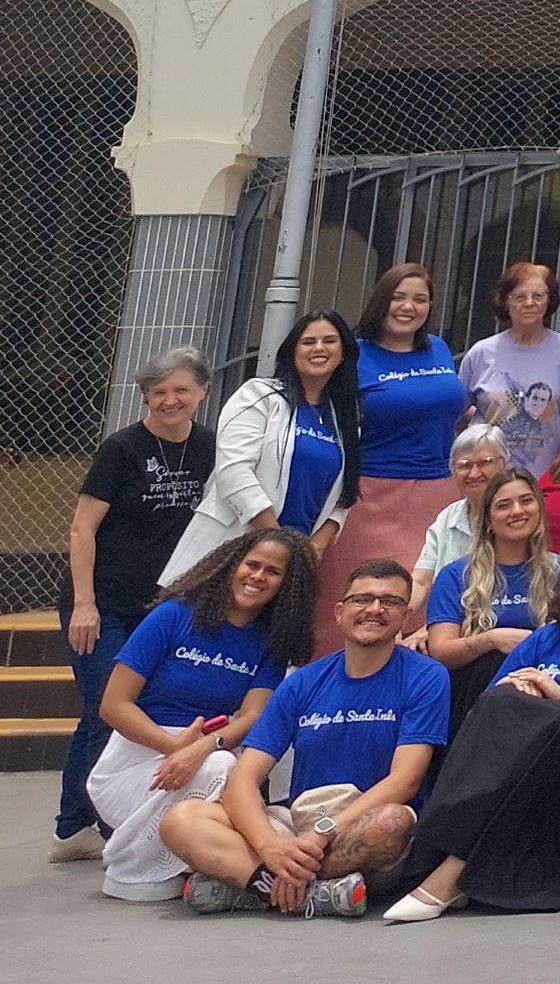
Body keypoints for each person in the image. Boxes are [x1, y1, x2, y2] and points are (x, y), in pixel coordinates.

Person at [384, 523, 560, 919]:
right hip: (538, 770)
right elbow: (494, 707)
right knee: (502, 707)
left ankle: (451, 870)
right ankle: (453, 855)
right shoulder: (549, 637)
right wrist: (523, 689)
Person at [158, 555, 445, 918]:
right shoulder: (301, 683)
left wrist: (322, 834)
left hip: (360, 825)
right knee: (179, 820)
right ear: (340, 611)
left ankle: (256, 886)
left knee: (392, 822)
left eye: (390, 602)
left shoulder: (427, 678)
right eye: (362, 599)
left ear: (405, 617)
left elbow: (405, 781)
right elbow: (242, 781)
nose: (374, 609)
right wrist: (270, 846)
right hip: (298, 823)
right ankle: (307, 893)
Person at [84, 530, 311, 903]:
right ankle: (131, 864)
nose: (257, 576)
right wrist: (174, 746)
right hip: (134, 762)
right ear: (231, 565)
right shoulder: (173, 616)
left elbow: (254, 715)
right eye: (252, 564)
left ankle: (221, 873)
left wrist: (204, 745)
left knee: (225, 767)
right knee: (225, 769)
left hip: (205, 754)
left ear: (287, 585)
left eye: (273, 572)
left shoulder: (269, 641)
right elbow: (113, 704)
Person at [58, 346, 218, 861]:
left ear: (202, 393)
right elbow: (83, 529)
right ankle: (92, 826)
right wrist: (85, 605)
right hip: (103, 605)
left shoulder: (210, 448)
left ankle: (86, 823)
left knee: (127, 713)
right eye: (158, 392)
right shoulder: (122, 449)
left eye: (180, 390)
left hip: (165, 609)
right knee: (106, 710)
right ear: (145, 397)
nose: (169, 401)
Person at [333, 262, 468, 604]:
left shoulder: (437, 348)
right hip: (373, 496)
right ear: (381, 301)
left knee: (431, 596)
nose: (409, 307)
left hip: (440, 491)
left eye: (420, 299)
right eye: (398, 297)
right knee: (371, 595)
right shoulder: (352, 355)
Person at [422, 468, 555, 714]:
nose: (517, 511)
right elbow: (441, 651)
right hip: (476, 691)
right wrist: (493, 640)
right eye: (504, 505)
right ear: (488, 521)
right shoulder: (456, 575)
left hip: (543, 690)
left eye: (526, 501)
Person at [458, 263, 560, 479]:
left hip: (545, 478)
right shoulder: (481, 353)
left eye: (538, 296)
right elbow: (455, 413)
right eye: (520, 297)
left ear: (549, 300)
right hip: (487, 477)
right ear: (505, 301)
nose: (529, 303)